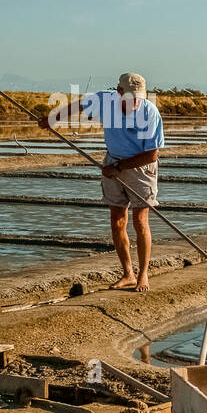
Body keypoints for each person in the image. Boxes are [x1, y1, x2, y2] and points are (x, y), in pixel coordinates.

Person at [41, 72, 164, 292]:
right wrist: (53, 119)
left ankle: (143, 274)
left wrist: (118, 168)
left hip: (140, 168)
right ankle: (128, 273)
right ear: (119, 92)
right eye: (131, 97)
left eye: (139, 97)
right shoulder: (105, 101)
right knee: (117, 220)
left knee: (140, 220)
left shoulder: (149, 112)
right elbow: (77, 106)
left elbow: (152, 155)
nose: (136, 101)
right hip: (113, 162)